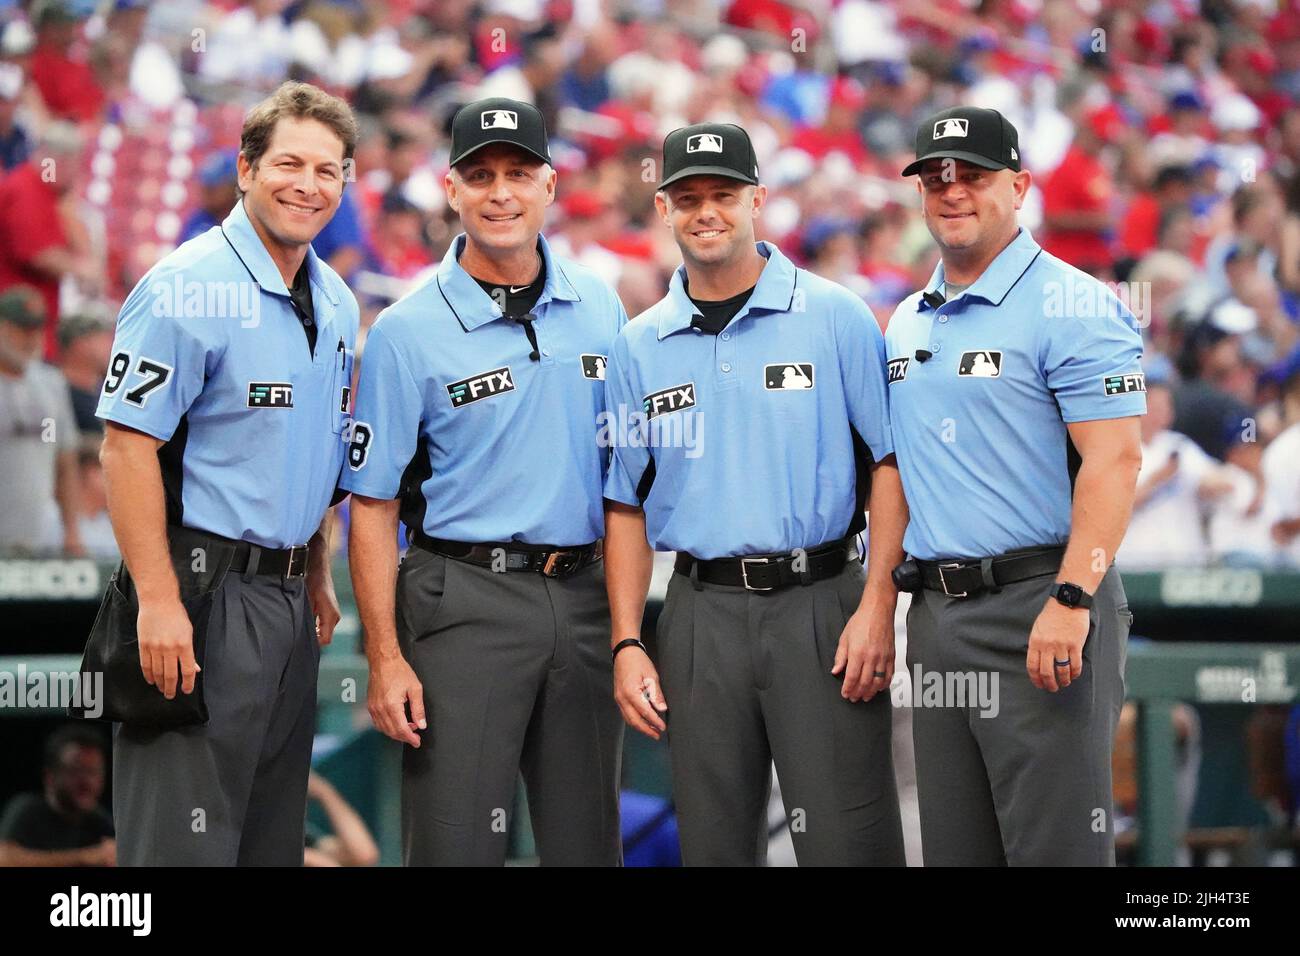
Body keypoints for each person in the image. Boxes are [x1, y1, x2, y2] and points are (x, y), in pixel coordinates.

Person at [602, 123, 906, 866]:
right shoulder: (638, 344)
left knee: (847, 840)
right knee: (714, 844)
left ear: (757, 201)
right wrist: (628, 641)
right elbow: (624, 506)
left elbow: (891, 467)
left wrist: (878, 606)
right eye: (688, 197)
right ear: (665, 208)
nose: (707, 211)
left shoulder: (836, 315)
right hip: (700, 613)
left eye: (724, 195)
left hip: (822, 599)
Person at [342, 97, 626, 866]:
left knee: (587, 842)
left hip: (585, 592)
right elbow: (370, 507)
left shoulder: (601, 303)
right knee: (457, 842)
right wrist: (383, 657)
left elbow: (628, 475)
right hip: (463, 595)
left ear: (550, 185)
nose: (501, 192)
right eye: (481, 175)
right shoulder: (404, 330)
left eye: (517, 173)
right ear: (451, 189)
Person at [95, 81, 359, 866]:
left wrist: (317, 570)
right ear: (245, 169)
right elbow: (124, 447)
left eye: (327, 170)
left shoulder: (339, 300)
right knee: (180, 850)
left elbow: (320, 448)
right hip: (199, 592)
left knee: (268, 845)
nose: (307, 185)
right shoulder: (185, 284)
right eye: (287, 163)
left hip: (287, 603)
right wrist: (158, 601)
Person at [887, 107, 1145, 866]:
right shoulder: (906, 319)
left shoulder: (1077, 303)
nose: (953, 189)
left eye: (973, 174)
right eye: (937, 177)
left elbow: (1116, 461)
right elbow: (899, 469)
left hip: (1041, 602)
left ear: (1021, 186)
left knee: (1056, 850)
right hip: (936, 616)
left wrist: (1071, 600)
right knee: (956, 851)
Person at [0, 287, 82, 556]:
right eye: (23, 329)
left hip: (40, 536)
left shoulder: (51, 383)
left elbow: (65, 461)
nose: (32, 338)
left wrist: (71, 531)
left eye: (37, 329)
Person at [0, 725, 114, 866]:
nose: (86, 782)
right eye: (76, 770)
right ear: (50, 777)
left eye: (93, 772)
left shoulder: (100, 821)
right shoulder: (28, 810)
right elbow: (5, 860)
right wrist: (85, 857)